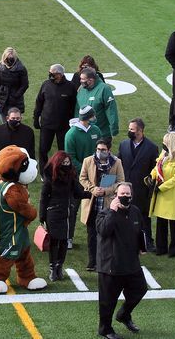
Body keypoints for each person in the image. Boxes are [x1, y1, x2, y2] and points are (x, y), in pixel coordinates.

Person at [96, 182, 148, 339]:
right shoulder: (104, 214)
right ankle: (105, 329)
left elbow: (140, 230)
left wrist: (142, 246)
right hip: (110, 266)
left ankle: (124, 314)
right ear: (115, 196)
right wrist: (112, 211)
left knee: (140, 289)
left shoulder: (135, 211)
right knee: (108, 301)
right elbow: (104, 230)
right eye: (122, 194)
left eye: (127, 194)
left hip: (131, 262)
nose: (125, 197)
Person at [39, 151, 91, 281]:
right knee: (54, 241)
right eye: (64, 163)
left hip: (66, 213)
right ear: (58, 163)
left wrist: (92, 193)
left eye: (68, 163)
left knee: (63, 242)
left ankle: (59, 267)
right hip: (53, 214)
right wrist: (42, 216)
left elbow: (78, 192)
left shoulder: (71, 176)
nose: (66, 165)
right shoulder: (50, 177)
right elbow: (44, 198)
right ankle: (52, 268)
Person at [80, 139, 125, 271]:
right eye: (98, 149)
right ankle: (92, 261)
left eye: (103, 150)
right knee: (92, 235)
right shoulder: (88, 161)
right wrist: (93, 189)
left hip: (107, 203)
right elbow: (82, 178)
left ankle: (107, 260)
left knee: (107, 234)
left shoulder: (117, 162)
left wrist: (107, 190)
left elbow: (121, 181)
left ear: (109, 150)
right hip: (92, 204)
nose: (100, 152)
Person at [64, 106, 104, 248]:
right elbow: (71, 158)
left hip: (96, 177)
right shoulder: (71, 134)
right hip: (77, 178)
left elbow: (101, 151)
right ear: (89, 117)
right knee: (73, 208)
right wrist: (87, 170)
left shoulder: (96, 131)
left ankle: (99, 236)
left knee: (97, 208)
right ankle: (68, 238)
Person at [118, 118, 158, 252]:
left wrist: (150, 188)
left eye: (132, 129)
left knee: (144, 218)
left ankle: (147, 242)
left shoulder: (152, 148)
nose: (129, 131)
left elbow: (154, 171)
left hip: (142, 190)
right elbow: (118, 165)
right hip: (125, 188)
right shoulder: (123, 145)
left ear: (140, 131)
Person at [150, 131, 175, 257]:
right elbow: (157, 167)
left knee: (174, 224)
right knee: (161, 222)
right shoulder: (163, 154)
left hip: (172, 195)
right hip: (162, 194)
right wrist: (152, 176)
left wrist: (161, 188)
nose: (163, 145)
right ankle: (161, 247)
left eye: (165, 143)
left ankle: (173, 249)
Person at [34, 63, 75, 166]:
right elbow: (39, 102)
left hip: (64, 125)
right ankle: (44, 172)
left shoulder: (70, 86)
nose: (50, 75)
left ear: (59, 74)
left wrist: (73, 121)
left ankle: (63, 169)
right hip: (47, 124)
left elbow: (74, 106)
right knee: (43, 149)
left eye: (52, 73)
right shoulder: (46, 84)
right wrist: (36, 118)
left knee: (63, 150)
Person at [0, 106, 35, 192]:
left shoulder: (28, 132)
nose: (15, 120)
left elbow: (31, 154)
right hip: (2, 173)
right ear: (7, 118)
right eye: (13, 118)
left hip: (22, 174)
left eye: (18, 118)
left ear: (21, 118)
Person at [76, 67, 119, 143]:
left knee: (101, 154)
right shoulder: (81, 90)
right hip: (85, 133)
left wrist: (114, 130)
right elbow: (78, 109)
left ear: (91, 80)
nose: (80, 81)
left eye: (83, 79)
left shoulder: (104, 89)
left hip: (101, 134)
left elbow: (111, 110)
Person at [0, 47, 29, 116]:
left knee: (14, 118)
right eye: (8, 57)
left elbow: (25, 84)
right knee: (4, 118)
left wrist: (16, 95)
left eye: (11, 57)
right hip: (3, 96)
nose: (9, 59)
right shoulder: (0, 66)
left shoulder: (21, 68)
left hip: (15, 99)